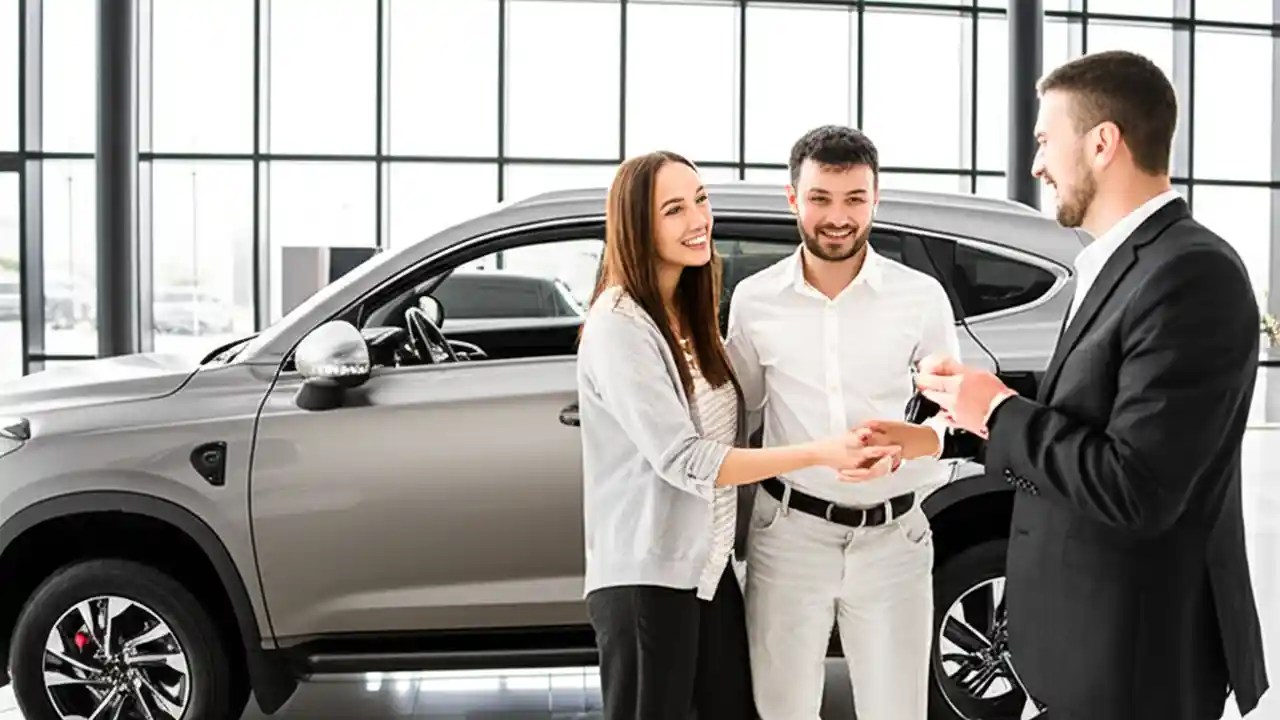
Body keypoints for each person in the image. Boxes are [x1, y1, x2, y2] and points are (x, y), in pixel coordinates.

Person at [885, 50, 1270, 720]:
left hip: (1136, 659)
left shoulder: (1191, 274)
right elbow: (1089, 426)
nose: (1036, 164)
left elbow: (1135, 486)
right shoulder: (1113, 264)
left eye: (1043, 141)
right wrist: (959, 430)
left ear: (1101, 143)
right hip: (1086, 646)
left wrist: (1000, 410)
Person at [575, 149, 902, 720]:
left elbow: (745, 412)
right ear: (636, 225)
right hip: (649, 577)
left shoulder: (688, 315)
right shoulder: (619, 325)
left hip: (708, 571)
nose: (698, 220)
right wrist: (820, 454)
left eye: (700, 200)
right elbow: (686, 459)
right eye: (673, 209)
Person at [724, 126, 960, 720]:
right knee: (781, 710)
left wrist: (915, 443)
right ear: (792, 199)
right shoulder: (753, 300)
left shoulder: (920, 297)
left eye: (855, 199)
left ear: (875, 200)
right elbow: (739, 411)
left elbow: (950, 411)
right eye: (821, 198)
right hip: (788, 536)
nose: (838, 217)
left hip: (895, 539)